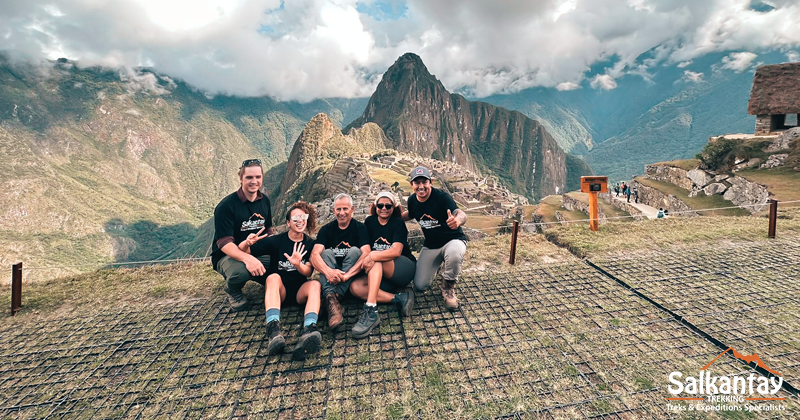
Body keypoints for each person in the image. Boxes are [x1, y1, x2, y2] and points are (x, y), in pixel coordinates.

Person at [348, 192, 415, 339]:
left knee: (377, 258)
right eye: (380, 205)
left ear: (393, 207)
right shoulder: (370, 222)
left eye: (388, 206)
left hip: (402, 268)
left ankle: (371, 310)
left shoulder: (397, 223)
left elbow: (396, 251)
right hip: (380, 272)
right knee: (355, 287)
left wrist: (372, 255)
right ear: (375, 206)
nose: (384, 208)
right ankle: (399, 298)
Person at [211, 158, 274, 312]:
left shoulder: (264, 201)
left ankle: (266, 279)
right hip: (228, 255)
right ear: (240, 178)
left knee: (282, 265)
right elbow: (225, 244)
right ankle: (232, 289)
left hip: (256, 251)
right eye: (249, 177)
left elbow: (268, 231)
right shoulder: (226, 206)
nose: (254, 181)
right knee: (239, 273)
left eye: (258, 177)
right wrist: (248, 259)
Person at [402, 166, 468, 311]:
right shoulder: (412, 200)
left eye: (424, 182)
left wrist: (458, 220)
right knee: (420, 285)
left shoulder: (442, 198)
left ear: (430, 182)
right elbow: (411, 214)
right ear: (411, 184)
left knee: (455, 254)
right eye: (416, 182)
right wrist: (390, 217)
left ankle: (448, 288)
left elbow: (460, 213)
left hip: (452, 239)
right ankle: (438, 265)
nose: (421, 186)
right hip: (431, 245)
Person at [310, 193, 371, 332]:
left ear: (352, 209)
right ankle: (333, 300)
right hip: (332, 273)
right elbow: (314, 255)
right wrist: (329, 272)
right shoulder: (326, 230)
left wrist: (346, 275)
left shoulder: (360, 228)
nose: (341, 213)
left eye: (345, 209)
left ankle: (330, 299)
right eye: (338, 209)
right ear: (333, 210)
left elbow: (366, 252)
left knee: (356, 251)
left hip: (350, 273)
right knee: (325, 253)